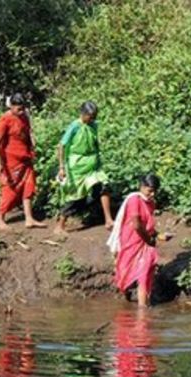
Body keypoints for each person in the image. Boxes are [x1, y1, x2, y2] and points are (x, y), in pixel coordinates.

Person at [107, 174, 171, 307]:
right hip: (131, 241)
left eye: (155, 191)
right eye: (150, 190)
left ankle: (142, 309)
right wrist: (149, 240)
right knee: (126, 272)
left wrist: (159, 236)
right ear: (141, 187)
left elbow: (148, 225)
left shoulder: (151, 203)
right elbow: (136, 224)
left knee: (144, 274)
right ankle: (128, 297)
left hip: (144, 242)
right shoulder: (134, 200)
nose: (152, 194)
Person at [54, 101, 114, 235]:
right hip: (77, 166)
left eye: (94, 116)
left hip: (92, 164)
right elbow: (62, 145)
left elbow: (95, 143)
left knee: (104, 186)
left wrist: (98, 160)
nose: (92, 119)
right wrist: (62, 167)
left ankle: (109, 220)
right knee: (75, 197)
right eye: (90, 116)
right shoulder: (74, 126)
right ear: (83, 114)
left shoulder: (93, 125)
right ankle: (60, 225)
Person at [0, 93, 46, 230]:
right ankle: (0, 218)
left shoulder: (24, 116)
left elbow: (28, 132)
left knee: (28, 186)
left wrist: (32, 143)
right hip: (11, 160)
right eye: (18, 109)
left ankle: (29, 218)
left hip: (26, 157)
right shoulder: (4, 120)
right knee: (11, 188)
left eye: (22, 108)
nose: (21, 111)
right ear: (11, 106)